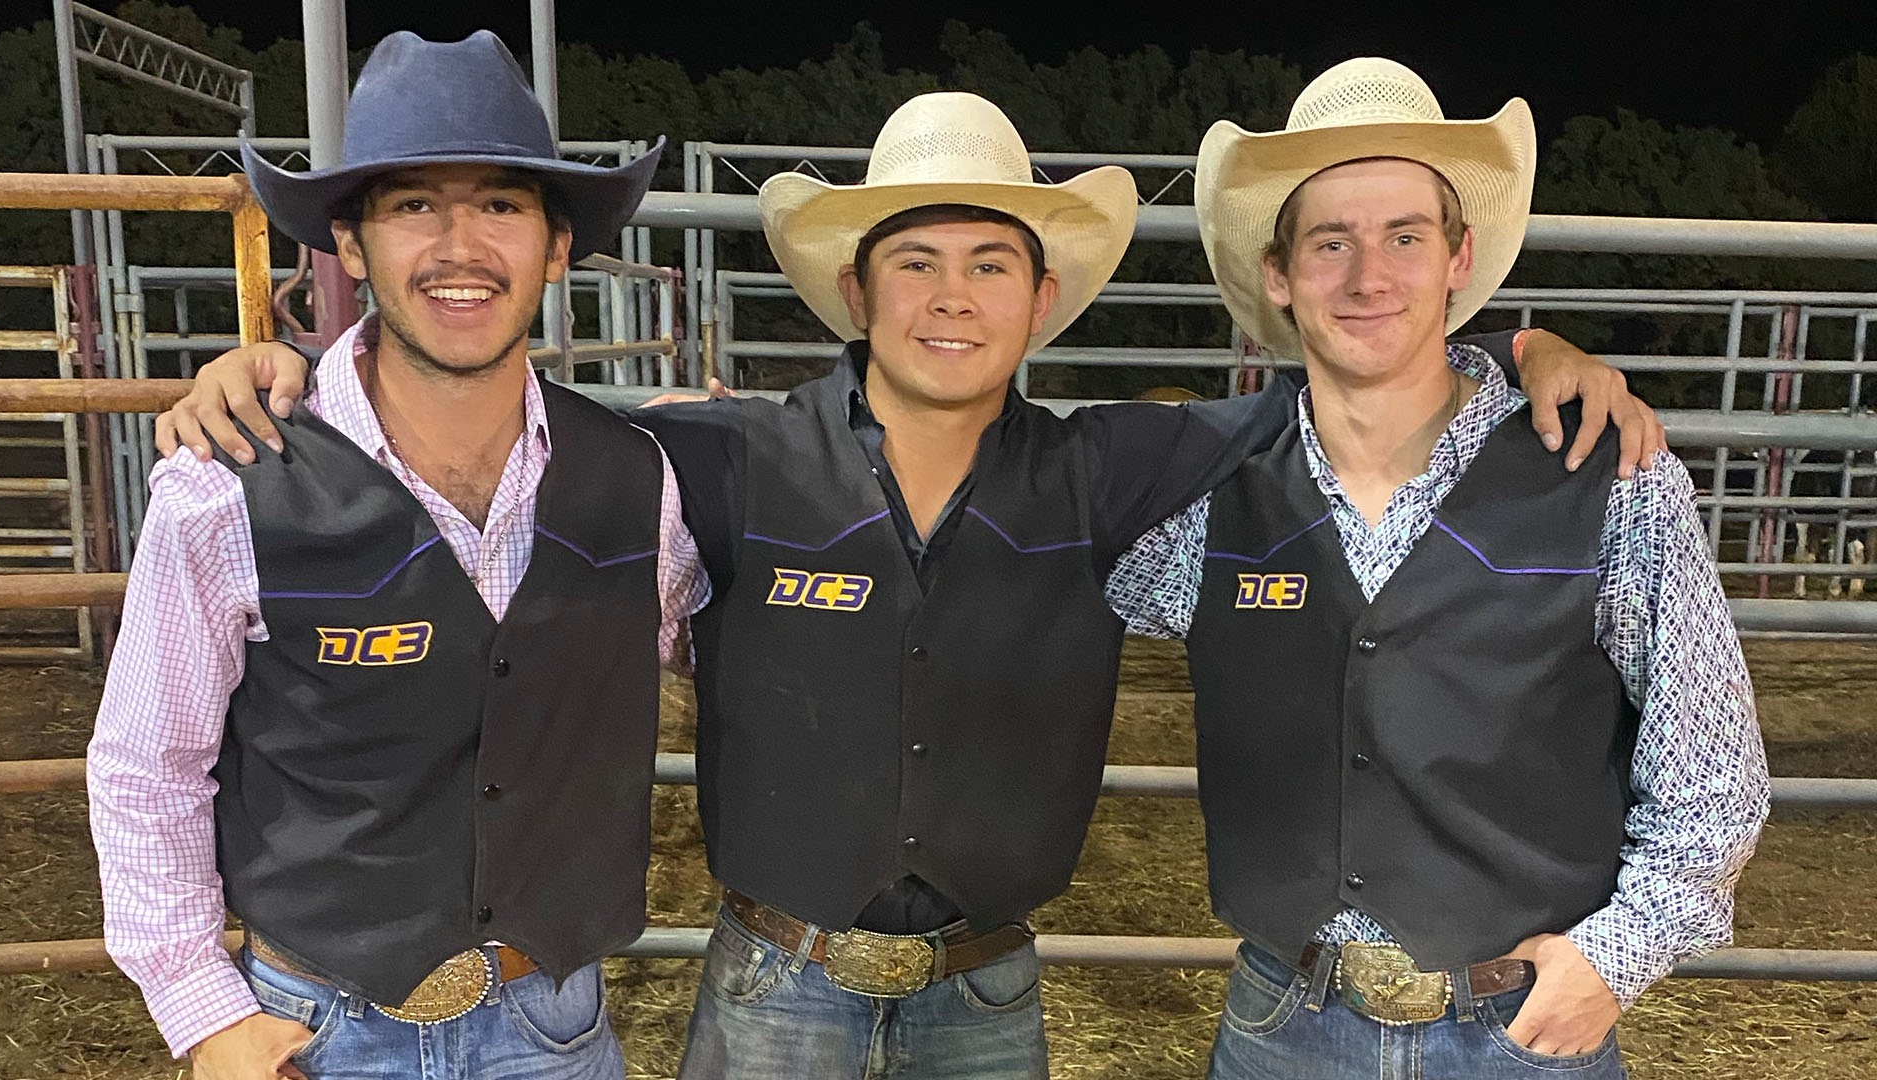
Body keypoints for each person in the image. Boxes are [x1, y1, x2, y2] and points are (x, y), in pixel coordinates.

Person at [158, 91, 1662, 1079]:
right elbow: (500, 419)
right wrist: (291, 372)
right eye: (918, 262)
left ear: (1041, 299)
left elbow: (1357, 370)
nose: (953, 296)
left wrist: (1525, 349)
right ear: (856, 291)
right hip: (776, 984)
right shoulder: (723, 462)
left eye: (992, 265)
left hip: (986, 993)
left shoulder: (1110, 473)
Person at [1108, 57, 1770, 1079]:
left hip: (1518, 1029)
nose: (1369, 278)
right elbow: (999, 541)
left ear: (1459, 257)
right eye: (1331, 242)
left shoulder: (1608, 479)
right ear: (1279, 274)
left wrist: (1613, 960)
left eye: (1406, 237)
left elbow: (1714, 773)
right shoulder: (1200, 497)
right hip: (1286, 1024)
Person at [87, 31, 707, 1080]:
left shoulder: (641, 480)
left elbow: (748, 638)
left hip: (553, 1026)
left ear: (557, 246)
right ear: (351, 242)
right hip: (315, 1033)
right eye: (415, 205)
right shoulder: (228, 484)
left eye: (502, 205)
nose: (461, 246)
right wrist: (201, 1008)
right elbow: (149, 765)